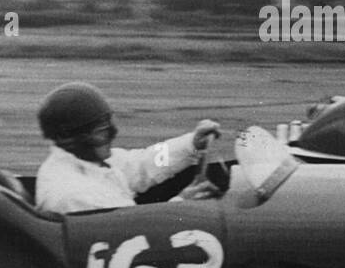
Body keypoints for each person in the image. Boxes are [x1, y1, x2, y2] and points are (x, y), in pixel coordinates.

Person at [34, 81, 222, 214]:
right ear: (71, 139)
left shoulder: (87, 161)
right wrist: (183, 205)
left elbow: (142, 163)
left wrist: (191, 144)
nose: (113, 135)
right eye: (101, 131)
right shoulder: (74, 193)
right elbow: (131, 231)